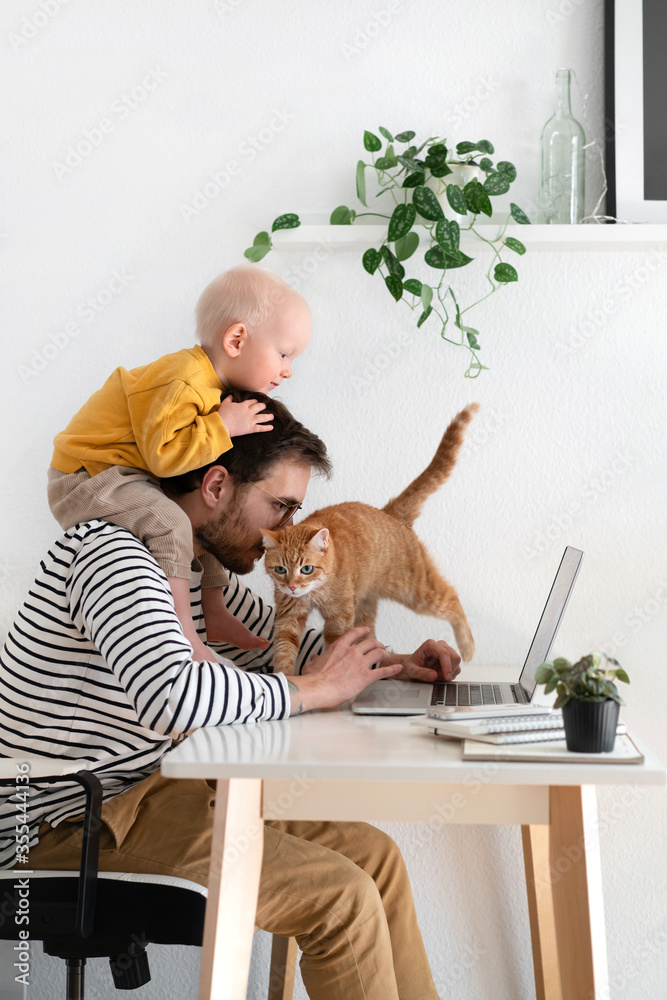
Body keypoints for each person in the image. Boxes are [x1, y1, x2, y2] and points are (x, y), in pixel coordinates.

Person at [0, 392, 461, 1000]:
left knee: (376, 859)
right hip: (62, 824)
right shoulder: (114, 556)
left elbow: (276, 650)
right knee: (340, 898)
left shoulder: (192, 567)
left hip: (150, 793)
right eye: (280, 506)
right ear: (216, 485)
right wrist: (312, 690)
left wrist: (394, 667)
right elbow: (173, 694)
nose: (287, 530)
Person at [47, 264, 312, 662]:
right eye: (284, 354)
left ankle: (214, 611)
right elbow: (165, 457)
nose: (288, 370)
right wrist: (222, 425)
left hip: (119, 472)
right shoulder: (184, 381)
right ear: (237, 339)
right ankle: (187, 631)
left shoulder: (209, 385)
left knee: (200, 530)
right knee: (173, 522)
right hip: (86, 475)